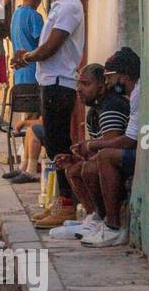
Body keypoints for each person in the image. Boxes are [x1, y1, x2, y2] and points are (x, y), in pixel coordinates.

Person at [11, 0, 86, 229]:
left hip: (59, 82)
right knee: (54, 145)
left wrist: (26, 57)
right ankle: (60, 201)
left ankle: (67, 205)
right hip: (49, 80)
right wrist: (29, 56)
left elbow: (51, 47)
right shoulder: (60, 5)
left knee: (59, 145)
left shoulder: (70, 7)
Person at [47, 63, 130, 240]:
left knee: (89, 168)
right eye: (78, 84)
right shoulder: (95, 110)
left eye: (85, 84)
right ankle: (94, 218)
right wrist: (75, 157)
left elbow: (111, 146)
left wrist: (89, 149)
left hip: (121, 167)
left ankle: (105, 221)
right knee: (73, 168)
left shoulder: (111, 106)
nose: (79, 89)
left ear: (101, 86)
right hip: (108, 161)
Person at [76, 47, 141, 248]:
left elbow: (129, 140)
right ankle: (99, 219)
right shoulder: (134, 95)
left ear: (123, 76)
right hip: (142, 149)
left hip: (142, 153)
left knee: (103, 157)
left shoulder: (133, 96)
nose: (109, 83)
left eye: (110, 78)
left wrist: (93, 145)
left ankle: (113, 227)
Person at [4, 0, 45, 183]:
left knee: (26, 118)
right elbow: (42, 45)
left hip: (19, 77)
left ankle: (22, 164)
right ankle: (28, 166)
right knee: (34, 122)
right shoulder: (34, 17)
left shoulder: (16, 15)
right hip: (34, 74)